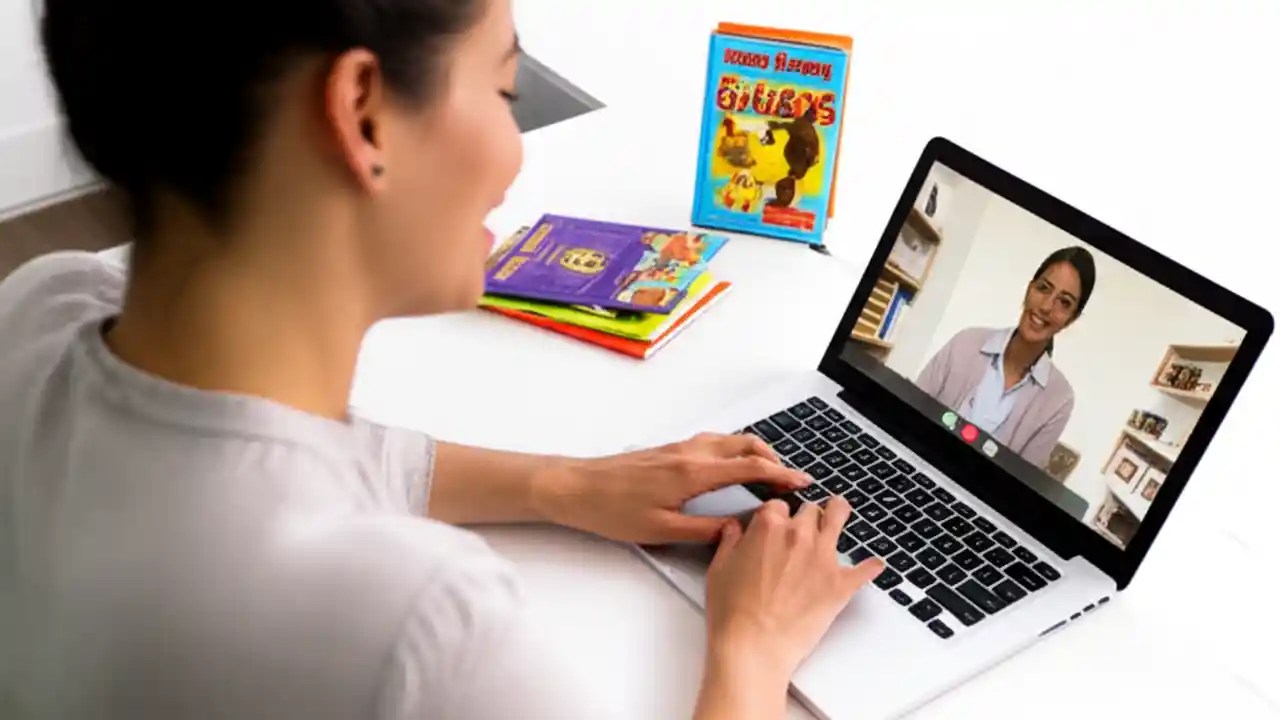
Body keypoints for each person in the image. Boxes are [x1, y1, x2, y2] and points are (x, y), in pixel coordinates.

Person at [0, 1, 885, 718]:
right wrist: (752, 649)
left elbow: (258, 457)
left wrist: (559, 486)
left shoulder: (36, 312)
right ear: (362, 115)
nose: (513, 155)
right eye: (504, 92)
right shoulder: (418, 632)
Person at [916, 247, 1096, 470]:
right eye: (1043, 288)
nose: (1047, 306)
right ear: (1029, 289)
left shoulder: (1060, 399)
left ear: (1072, 318)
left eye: (1064, 302)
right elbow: (908, 408)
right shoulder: (966, 342)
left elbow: (1019, 482)